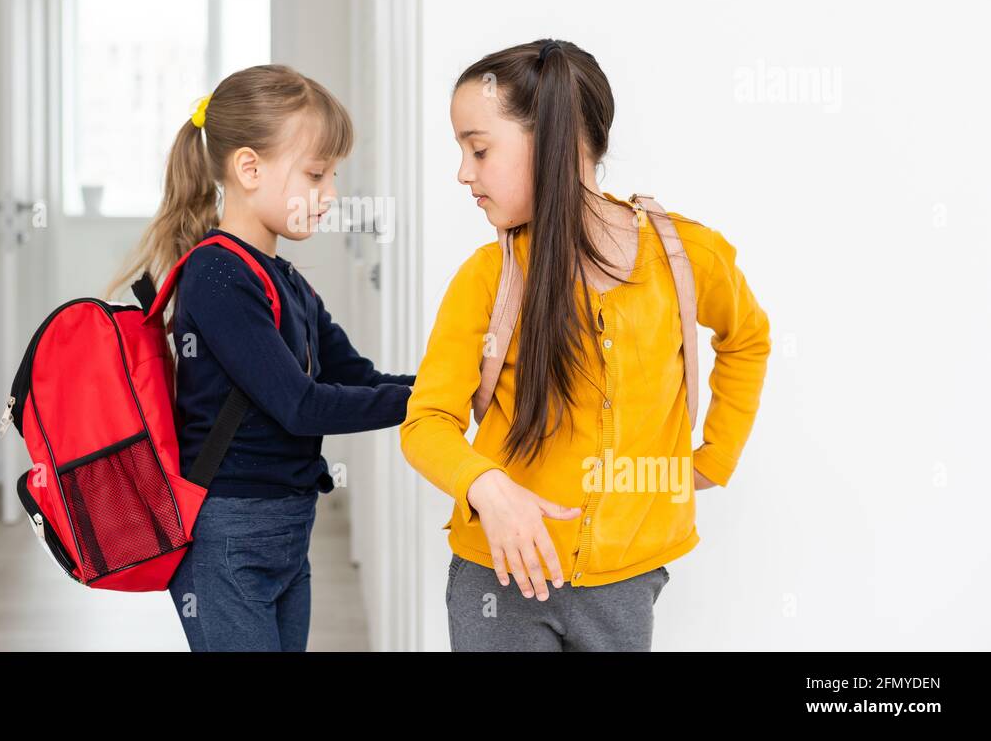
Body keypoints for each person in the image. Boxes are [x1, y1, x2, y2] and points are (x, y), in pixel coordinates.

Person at [400, 38, 771, 651]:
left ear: (552, 141)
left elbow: (748, 337)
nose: (463, 172)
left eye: (479, 148)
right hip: (498, 579)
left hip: (625, 584)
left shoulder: (684, 256)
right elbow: (426, 423)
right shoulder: (486, 278)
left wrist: (715, 455)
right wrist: (485, 486)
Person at [107, 64, 414, 651]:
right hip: (228, 533)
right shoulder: (216, 274)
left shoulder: (286, 281)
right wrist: (425, 400)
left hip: (286, 527)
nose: (331, 195)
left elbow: (360, 379)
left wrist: (454, 387)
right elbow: (301, 407)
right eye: (317, 175)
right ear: (249, 168)